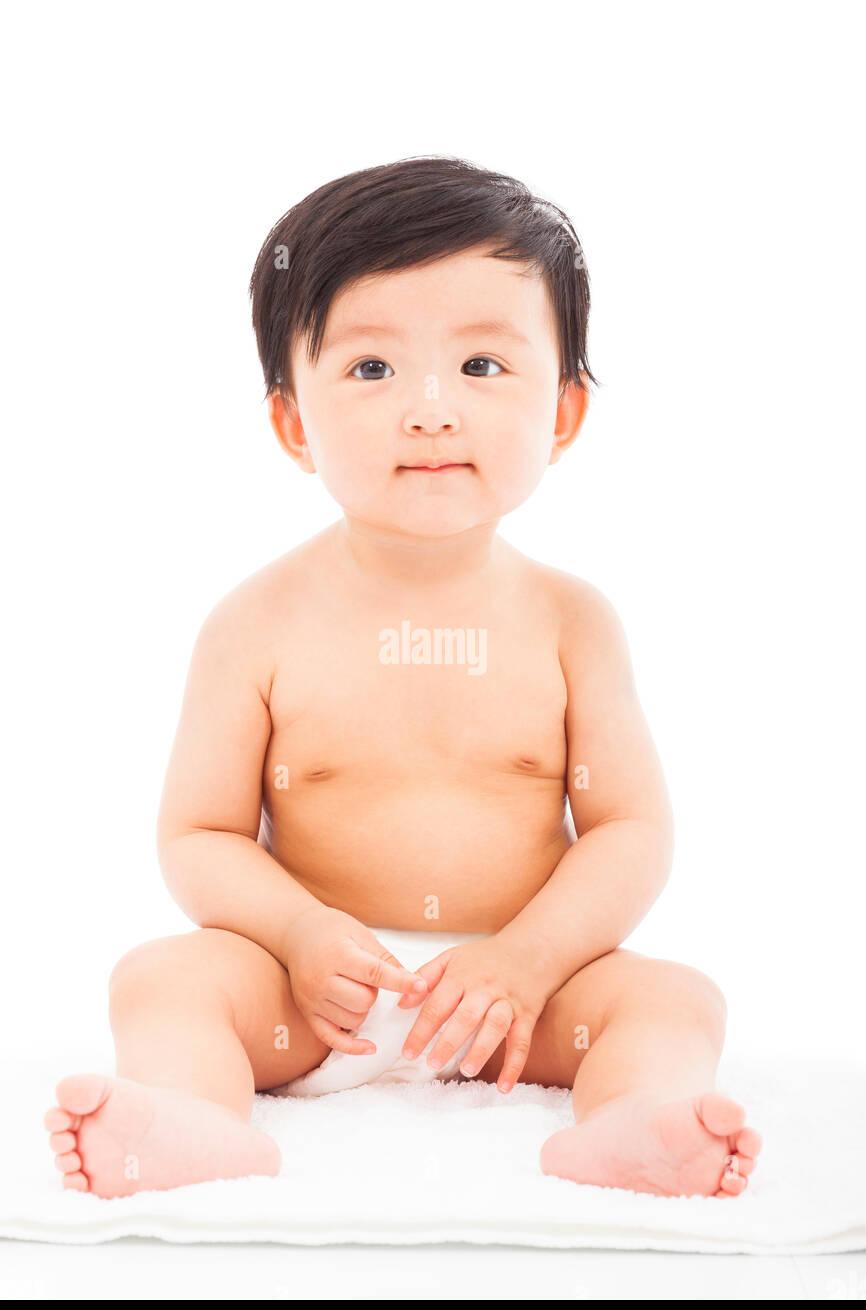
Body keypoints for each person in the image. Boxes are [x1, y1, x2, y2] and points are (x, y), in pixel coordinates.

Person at [45, 156, 761, 1199]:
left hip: (523, 990)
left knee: (675, 1000)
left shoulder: (572, 622)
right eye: (373, 370)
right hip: (313, 993)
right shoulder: (252, 625)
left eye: (479, 366)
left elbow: (627, 831)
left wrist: (524, 960)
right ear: (293, 421)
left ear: (562, 413)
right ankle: (194, 1118)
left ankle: (634, 1125)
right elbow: (196, 834)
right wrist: (294, 934)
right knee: (161, 977)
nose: (430, 410)